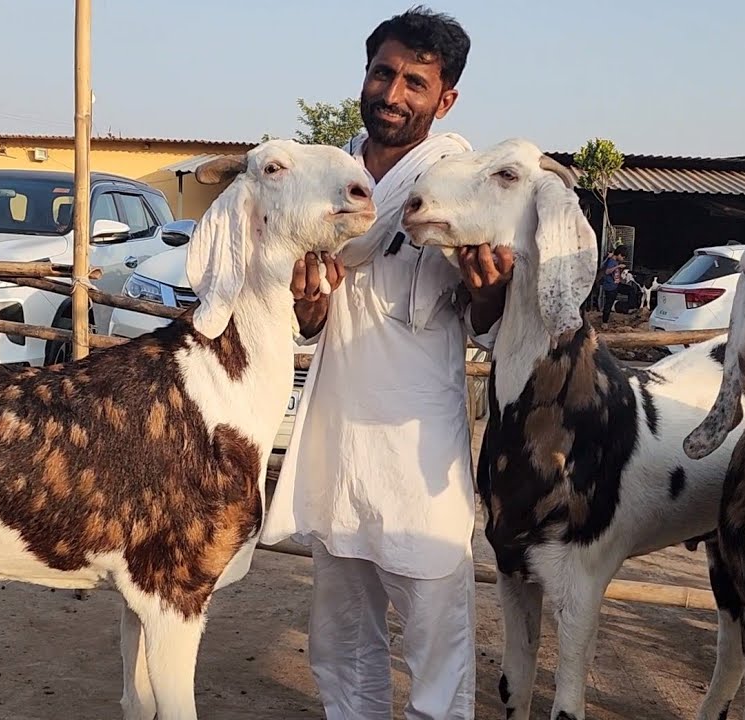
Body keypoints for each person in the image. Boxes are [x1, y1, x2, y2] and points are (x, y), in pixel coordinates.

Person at [259, 7, 511, 719]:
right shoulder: (324, 180)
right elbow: (305, 321)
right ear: (364, 75)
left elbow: (486, 318)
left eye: (414, 82)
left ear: (445, 99)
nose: (393, 94)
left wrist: (490, 291)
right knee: (340, 641)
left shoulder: (461, 187)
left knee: (436, 637)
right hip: (337, 435)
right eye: (382, 73)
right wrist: (306, 314)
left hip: (418, 443)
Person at [598, 244, 628, 322]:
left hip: (615, 284)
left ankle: (629, 308)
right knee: (608, 304)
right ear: (619, 254)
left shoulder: (614, 261)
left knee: (630, 290)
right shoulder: (611, 261)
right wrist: (618, 267)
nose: (622, 259)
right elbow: (607, 271)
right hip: (610, 286)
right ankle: (605, 322)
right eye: (622, 257)